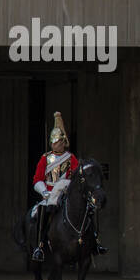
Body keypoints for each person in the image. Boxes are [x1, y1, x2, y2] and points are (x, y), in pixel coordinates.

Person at [30, 111, 106, 260]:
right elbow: (37, 179)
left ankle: (95, 242)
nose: (57, 144)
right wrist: (44, 192)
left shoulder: (71, 158)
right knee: (42, 211)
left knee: (88, 210)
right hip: (50, 193)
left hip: (67, 191)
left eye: (59, 142)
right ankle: (40, 245)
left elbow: (77, 176)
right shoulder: (45, 159)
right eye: (55, 142)